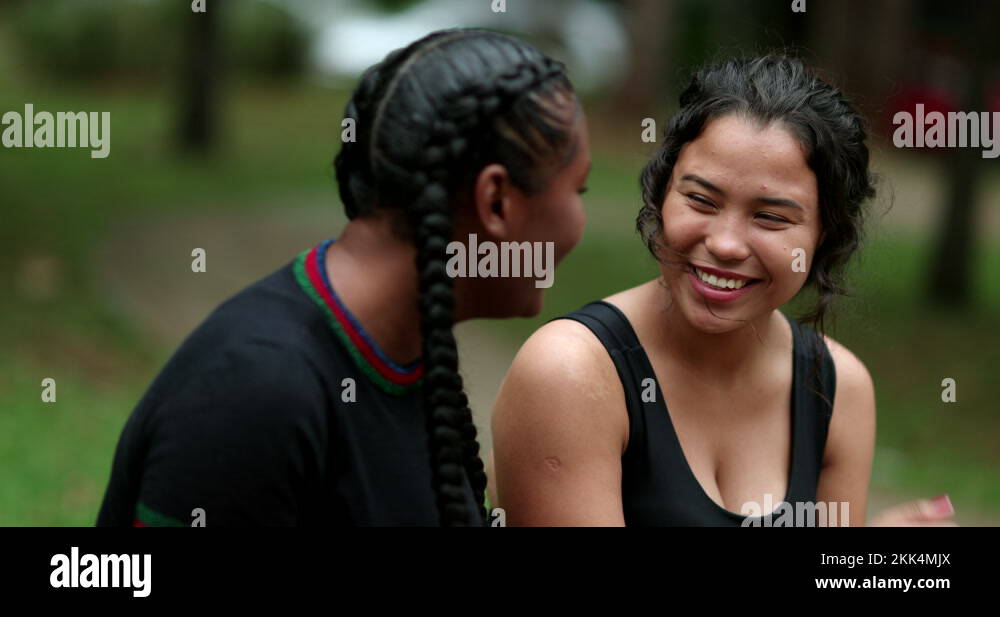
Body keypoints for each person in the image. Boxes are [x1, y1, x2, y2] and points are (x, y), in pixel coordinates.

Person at [96, 28, 590, 527]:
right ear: (497, 201)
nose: (580, 223)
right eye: (580, 190)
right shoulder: (257, 391)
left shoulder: (411, 358)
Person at [490, 54, 956, 527]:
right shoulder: (572, 374)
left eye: (771, 217)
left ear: (825, 236)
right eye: (700, 200)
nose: (726, 244)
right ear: (660, 194)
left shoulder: (837, 389)